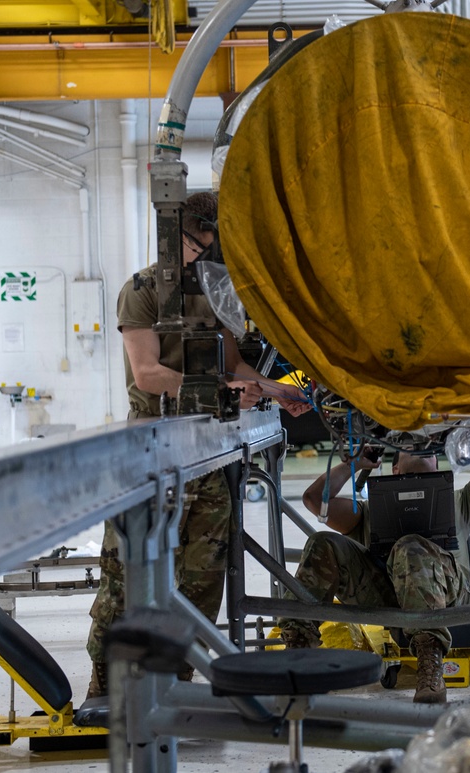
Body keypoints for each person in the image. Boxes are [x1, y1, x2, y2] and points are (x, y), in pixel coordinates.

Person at [85, 191, 309, 699]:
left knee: (202, 579)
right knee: (124, 578)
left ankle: (177, 684)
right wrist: (219, 390)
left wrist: (276, 391)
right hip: (150, 453)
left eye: (207, 247)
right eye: (190, 243)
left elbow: (233, 366)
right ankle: (103, 684)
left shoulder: (218, 290)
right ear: (172, 234)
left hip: (207, 452)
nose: (197, 255)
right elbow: (147, 375)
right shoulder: (140, 289)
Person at [278, 446, 470, 704]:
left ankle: (430, 663)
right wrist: (356, 464)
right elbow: (314, 500)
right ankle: (299, 658)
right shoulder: (369, 513)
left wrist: (465, 434)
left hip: (450, 597)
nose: (418, 447)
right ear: (395, 470)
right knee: (322, 542)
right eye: (409, 447)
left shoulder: (462, 501)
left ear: (438, 466)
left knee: (410, 546)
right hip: (388, 595)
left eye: (426, 449)